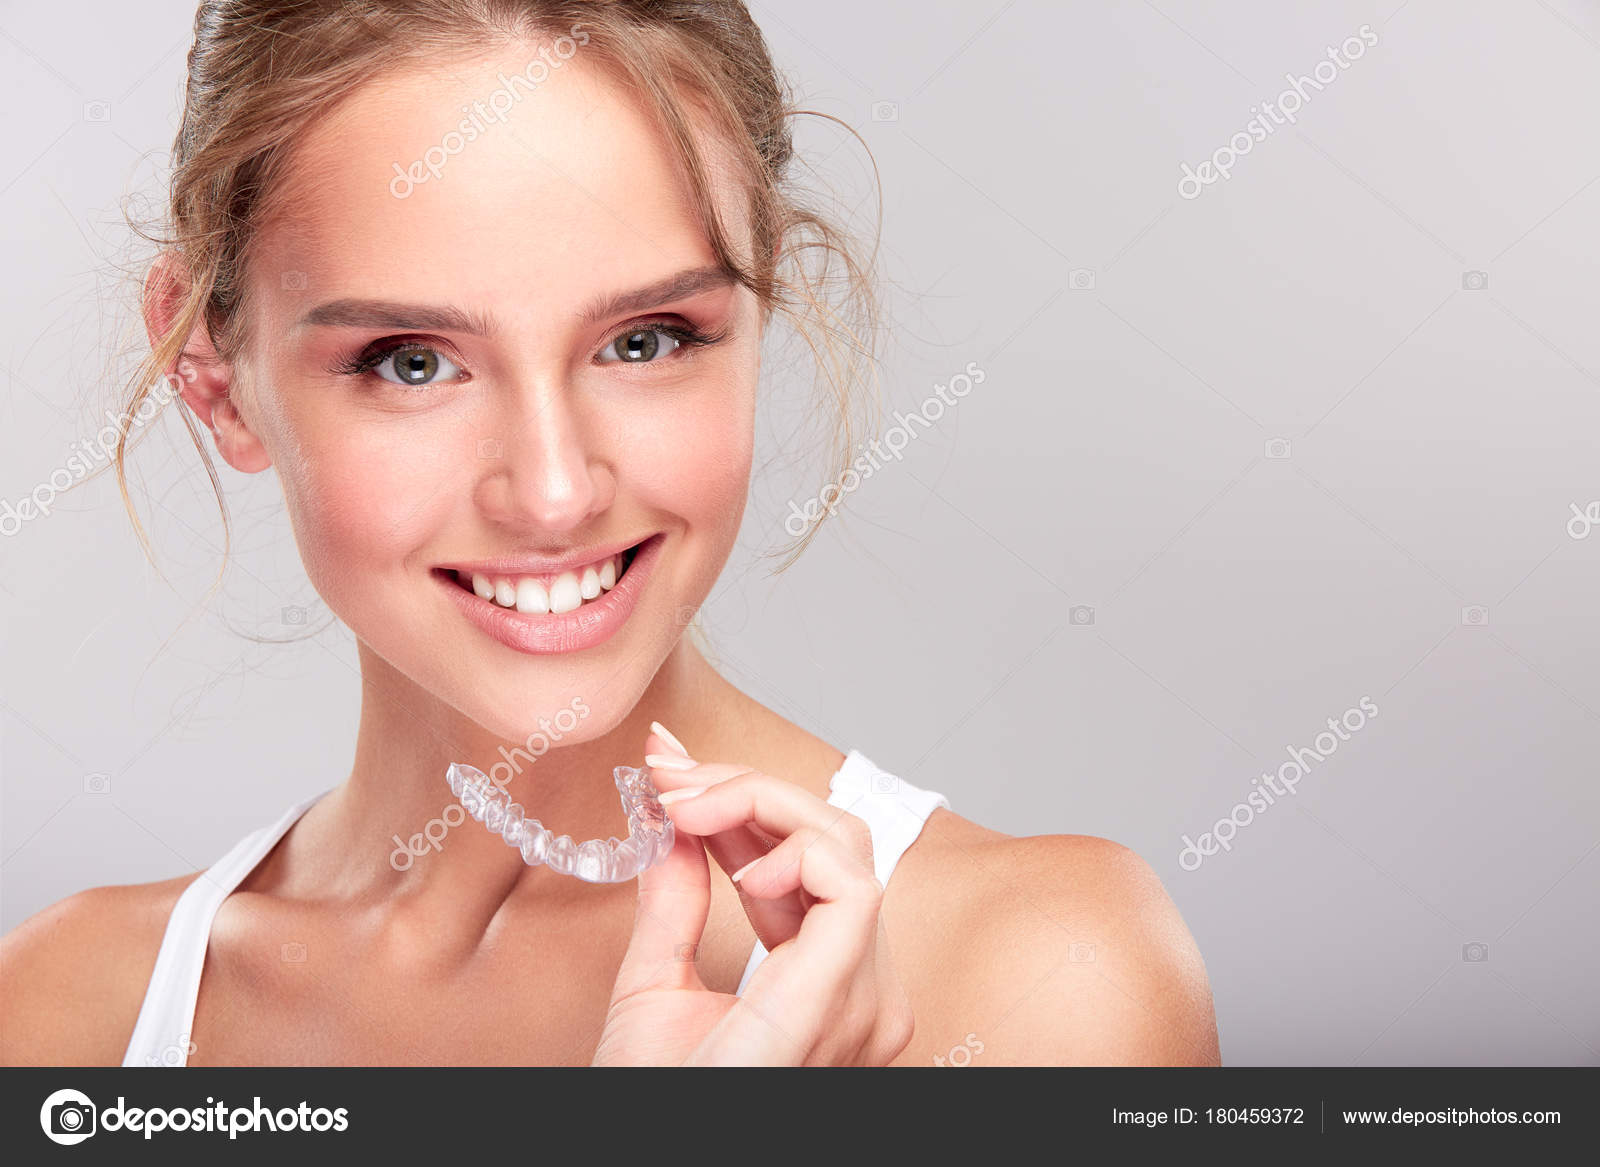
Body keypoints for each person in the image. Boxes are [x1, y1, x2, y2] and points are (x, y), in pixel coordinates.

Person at [0, 0, 1219, 1066]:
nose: (552, 493)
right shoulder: (66, 1012)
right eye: (412, 362)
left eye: (645, 341)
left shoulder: (1040, 978)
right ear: (215, 373)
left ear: (761, 304)